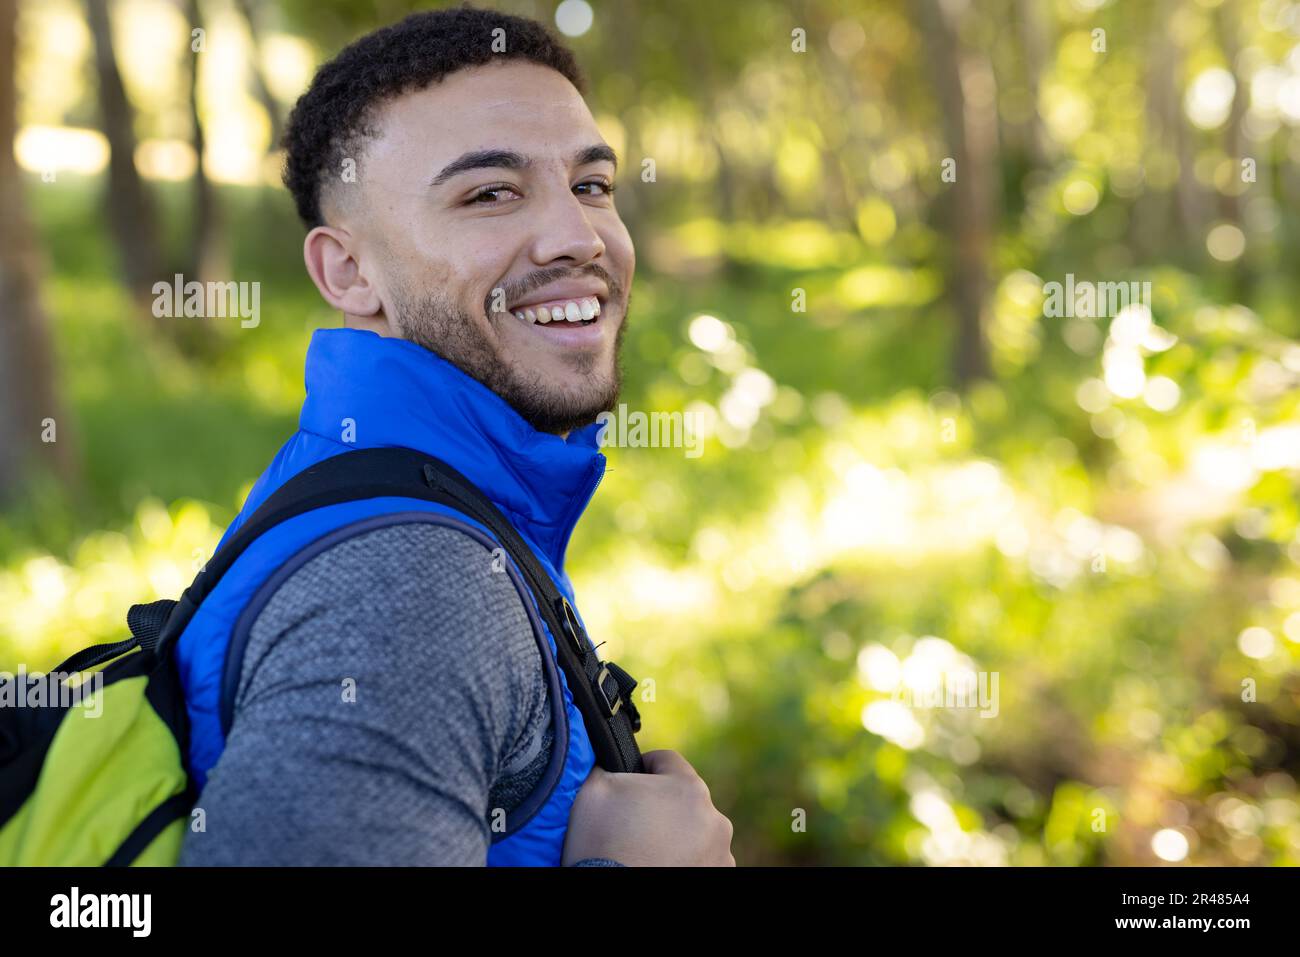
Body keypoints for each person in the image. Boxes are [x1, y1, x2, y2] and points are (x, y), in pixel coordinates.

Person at [175, 6, 734, 867]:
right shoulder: (409, 590)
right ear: (348, 271)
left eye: (591, 185)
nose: (579, 238)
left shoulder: (393, 484)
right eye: (490, 194)